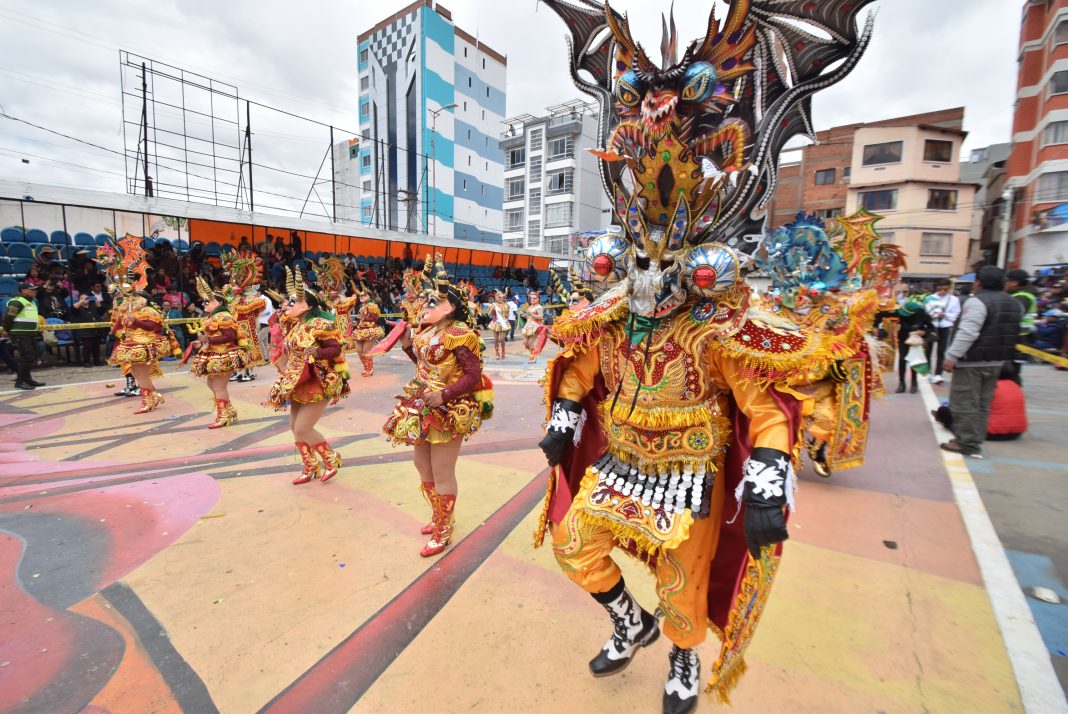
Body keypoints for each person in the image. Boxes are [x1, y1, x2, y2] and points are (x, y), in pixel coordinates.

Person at [383, 254, 493, 557]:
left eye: (433, 302)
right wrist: (407, 343)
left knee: (443, 470)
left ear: (450, 307)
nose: (426, 306)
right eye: (427, 301)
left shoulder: (461, 335)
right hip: (422, 405)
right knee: (422, 465)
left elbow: (474, 376)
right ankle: (439, 515)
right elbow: (424, 367)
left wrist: (443, 396)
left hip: (449, 409)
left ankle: (444, 529)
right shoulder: (427, 333)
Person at [263, 267, 350, 484]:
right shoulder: (295, 325)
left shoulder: (319, 324)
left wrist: (317, 352)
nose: (287, 306)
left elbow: (335, 349)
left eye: (293, 302)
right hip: (296, 380)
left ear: (307, 306)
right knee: (294, 427)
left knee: (303, 427)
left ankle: (331, 459)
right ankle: (310, 466)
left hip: (317, 381)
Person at [940, 266, 1022, 458]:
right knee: (983, 404)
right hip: (996, 360)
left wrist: (952, 356)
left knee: (965, 403)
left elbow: (968, 332)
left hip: (973, 361)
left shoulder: (977, 302)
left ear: (978, 282)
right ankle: (975, 438)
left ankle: (966, 443)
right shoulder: (1013, 302)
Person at [188, 278, 252, 428]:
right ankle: (228, 411)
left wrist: (207, 339)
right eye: (203, 302)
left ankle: (223, 415)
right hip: (214, 354)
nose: (204, 304)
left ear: (219, 303)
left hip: (224, 354)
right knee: (211, 383)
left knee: (219, 387)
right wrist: (202, 342)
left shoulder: (224, 317)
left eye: (207, 301)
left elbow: (229, 337)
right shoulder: (213, 317)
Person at [109, 290, 182, 414]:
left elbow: (150, 327)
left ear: (144, 300)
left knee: (141, 375)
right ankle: (153, 396)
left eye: (135, 298)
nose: (132, 301)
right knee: (135, 373)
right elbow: (121, 325)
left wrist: (135, 321)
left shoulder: (149, 311)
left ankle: (148, 401)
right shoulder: (132, 312)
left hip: (145, 344)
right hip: (132, 344)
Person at [876, 298, 934, 393]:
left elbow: (932, 329)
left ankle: (914, 383)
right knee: (902, 359)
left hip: (915, 340)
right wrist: (878, 327)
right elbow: (881, 314)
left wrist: (923, 332)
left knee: (914, 361)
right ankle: (902, 383)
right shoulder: (899, 312)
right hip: (903, 338)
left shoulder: (922, 315)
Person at [2, 282, 45, 389]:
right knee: (27, 356)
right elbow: (7, 318)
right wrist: (9, 331)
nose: (34, 291)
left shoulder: (31, 302)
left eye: (35, 289)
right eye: (32, 289)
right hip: (20, 334)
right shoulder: (17, 302)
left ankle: (28, 379)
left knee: (32, 355)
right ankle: (20, 382)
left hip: (30, 333)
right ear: (24, 291)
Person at [923, 279, 960, 384]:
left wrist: (945, 315)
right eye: (940, 288)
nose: (942, 291)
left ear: (949, 289)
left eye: (945, 289)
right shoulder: (929, 298)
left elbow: (956, 314)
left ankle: (938, 374)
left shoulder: (953, 300)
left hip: (945, 326)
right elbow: (924, 312)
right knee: (928, 350)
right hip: (931, 326)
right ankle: (927, 372)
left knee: (941, 351)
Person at [69, 292, 106, 367]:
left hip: (96, 330)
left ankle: (97, 361)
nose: (85, 300)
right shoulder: (78, 307)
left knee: (96, 346)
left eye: (86, 298)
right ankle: (86, 362)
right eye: (82, 298)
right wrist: (81, 302)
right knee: (88, 346)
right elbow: (72, 309)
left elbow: (101, 312)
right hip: (85, 331)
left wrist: (99, 305)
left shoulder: (93, 306)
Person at [521, 290, 546, 363]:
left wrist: (531, 314)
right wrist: (525, 315)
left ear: (538, 299)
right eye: (531, 298)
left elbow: (541, 317)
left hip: (535, 326)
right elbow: (529, 317)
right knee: (525, 342)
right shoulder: (530, 307)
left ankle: (533, 357)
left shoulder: (539, 307)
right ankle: (532, 354)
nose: (532, 299)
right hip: (528, 325)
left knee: (530, 343)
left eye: (534, 298)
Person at [488, 290, 510, 360]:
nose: (500, 299)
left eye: (502, 297)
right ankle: (497, 353)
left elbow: (507, 315)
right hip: (496, 322)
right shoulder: (493, 305)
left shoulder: (506, 305)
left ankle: (503, 351)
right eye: (499, 297)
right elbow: (489, 314)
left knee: (502, 339)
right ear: (496, 297)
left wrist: (505, 319)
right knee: (496, 339)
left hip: (503, 322)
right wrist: (493, 310)